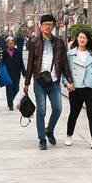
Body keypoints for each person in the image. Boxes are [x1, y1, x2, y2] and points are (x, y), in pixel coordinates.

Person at [23, 14, 74, 150]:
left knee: (57, 108)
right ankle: (42, 139)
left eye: (50, 24)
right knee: (41, 110)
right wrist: (27, 82)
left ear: (53, 26)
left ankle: (49, 129)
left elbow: (64, 63)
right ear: (41, 25)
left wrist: (69, 79)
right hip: (39, 80)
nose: (47, 27)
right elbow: (30, 63)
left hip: (54, 81)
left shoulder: (59, 42)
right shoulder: (34, 42)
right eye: (45, 24)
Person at [65, 29, 92, 150]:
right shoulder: (70, 54)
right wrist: (66, 83)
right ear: (77, 38)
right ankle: (69, 136)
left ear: (88, 40)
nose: (82, 40)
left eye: (85, 38)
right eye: (80, 37)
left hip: (91, 88)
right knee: (74, 113)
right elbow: (64, 72)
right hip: (76, 88)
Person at [2, 36, 23, 110]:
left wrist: (24, 73)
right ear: (7, 44)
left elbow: (21, 63)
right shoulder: (4, 52)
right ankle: (10, 105)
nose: (11, 44)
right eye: (10, 43)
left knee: (16, 88)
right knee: (9, 89)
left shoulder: (18, 52)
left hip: (17, 73)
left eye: (13, 43)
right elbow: (2, 63)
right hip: (8, 73)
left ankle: (10, 99)